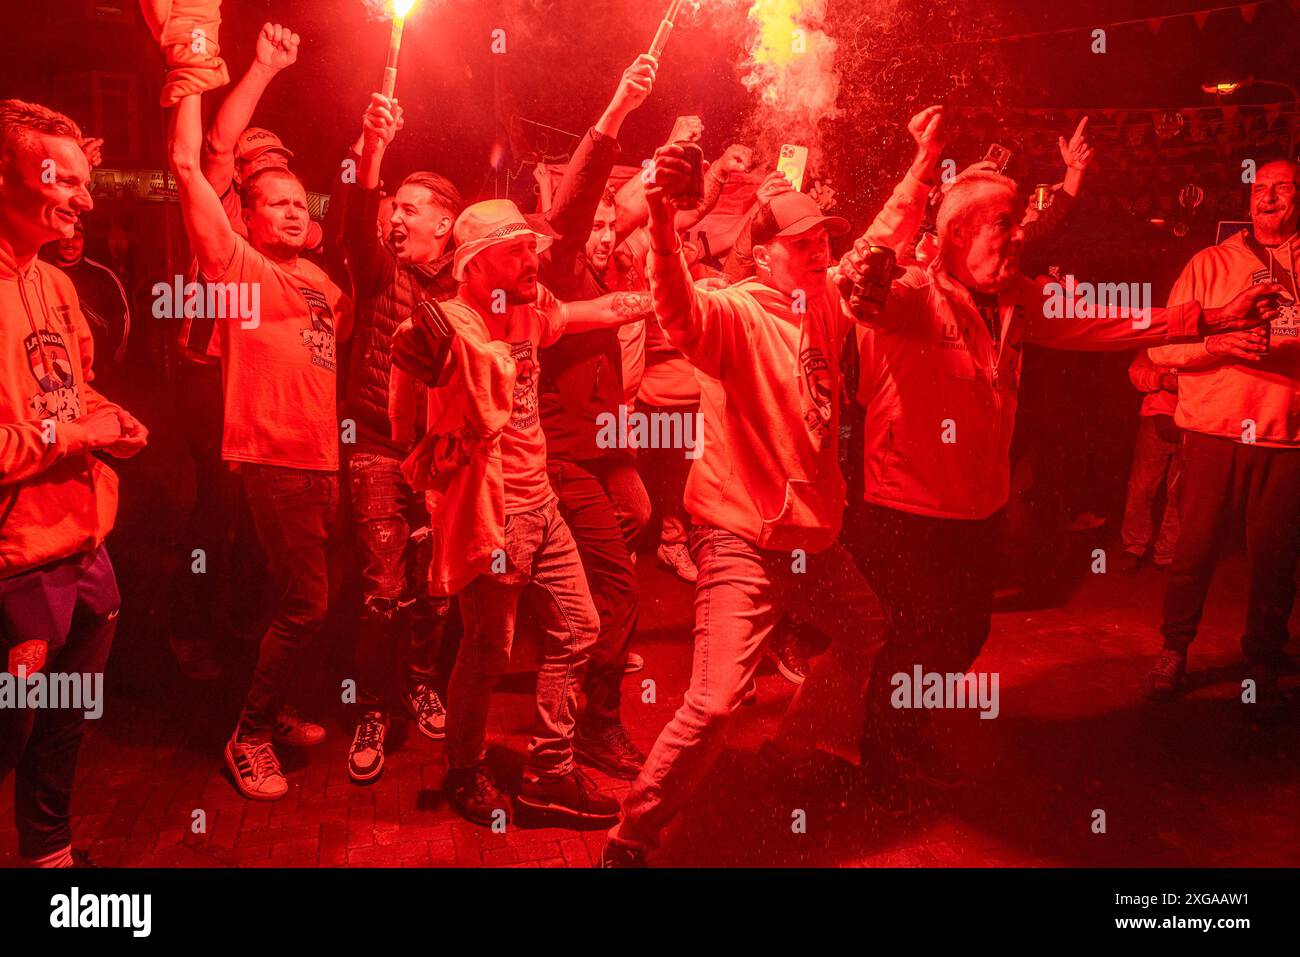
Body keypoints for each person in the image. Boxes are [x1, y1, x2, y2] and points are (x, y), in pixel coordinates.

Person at [837, 154, 1285, 801]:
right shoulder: (909, 294)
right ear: (958, 234)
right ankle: (879, 757)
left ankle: (902, 729)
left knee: (965, 633)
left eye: (1021, 222)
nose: (1020, 234)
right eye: (1005, 224)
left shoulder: (1022, 298)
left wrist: (1213, 318)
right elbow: (863, 286)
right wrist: (895, 216)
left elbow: (1110, 322)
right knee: (917, 637)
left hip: (978, 508)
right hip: (906, 507)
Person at [599, 145, 894, 867]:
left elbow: (880, 238)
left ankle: (800, 746)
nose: (822, 253)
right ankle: (631, 835)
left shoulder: (820, 303)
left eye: (825, 241)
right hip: (740, 542)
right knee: (717, 700)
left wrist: (923, 163)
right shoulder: (732, 314)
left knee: (865, 625)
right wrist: (664, 217)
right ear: (763, 257)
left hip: (814, 540)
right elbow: (675, 305)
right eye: (804, 244)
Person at [391, 199, 654, 827]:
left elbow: (597, 310)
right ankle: (464, 769)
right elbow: (411, 360)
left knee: (580, 628)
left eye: (530, 247)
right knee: (489, 649)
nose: (531, 258)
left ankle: (549, 772)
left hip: (543, 502)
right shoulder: (450, 324)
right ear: (477, 265)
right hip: (494, 512)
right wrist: (421, 366)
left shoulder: (532, 313)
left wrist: (666, 295)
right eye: (515, 251)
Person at [168, 86, 353, 801]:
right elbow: (192, 165)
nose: (291, 209)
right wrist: (188, 81)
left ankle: (274, 711)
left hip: (322, 460)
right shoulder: (238, 269)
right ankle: (246, 733)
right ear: (243, 216)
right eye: (273, 201)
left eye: (298, 201)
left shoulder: (322, 286)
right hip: (271, 459)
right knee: (309, 600)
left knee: (290, 596)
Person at [0, 98, 148, 866]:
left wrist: (107, 417)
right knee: (9, 726)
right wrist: (69, 433)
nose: (86, 200)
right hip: (15, 556)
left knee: (66, 713)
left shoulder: (53, 285)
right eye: (65, 178)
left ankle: (47, 856)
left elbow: (67, 388)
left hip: (83, 542)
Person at [1141, 157, 1299, 719]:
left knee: (1277, 557)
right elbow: (1161, 348)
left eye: (1282, 188)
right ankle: (1173, 649)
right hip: (1213, 430)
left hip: (1286, 436)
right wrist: (1220, 346)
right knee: (1196, 547)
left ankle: (1263, 659)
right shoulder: (1209, 263)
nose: (1268, 197)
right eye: (1261, 188)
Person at [535, 54, 657, 779]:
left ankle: (580, 619)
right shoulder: (554, 258)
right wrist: (617, 109)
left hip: (606, 446)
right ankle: (594, 719)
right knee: (620, 586)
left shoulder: (615, 265)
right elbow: (575, 202)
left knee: (640, 517)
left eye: (615, 217)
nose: (605, 226)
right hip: (562, 453)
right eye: (597, 217)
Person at [338, 91, 465, 783]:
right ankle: (375, 708)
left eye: (412, 209)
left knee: (437, 586)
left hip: (439, 457)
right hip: (381, 451)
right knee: (383, 588)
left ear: (445, 224)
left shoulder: (466, 287)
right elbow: (358, 223)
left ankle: (421, 682)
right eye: (396, 206)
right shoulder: (381, 267)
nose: (397, 217)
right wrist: (373, 149)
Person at [39, 220, 131, 398]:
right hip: (52, 370)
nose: (70, 242)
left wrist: (111, 360)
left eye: (77, 237)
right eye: (65, 237)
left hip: (99, 373)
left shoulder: (103, 276)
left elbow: (123, 320)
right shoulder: (40, 274)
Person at [1117, 350, 1183, 573]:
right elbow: (1136, 372)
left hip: (1195, 420)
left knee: (1180, 493)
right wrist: (1160, 379)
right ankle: (1134, 547)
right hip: (1158, 419)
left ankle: (1167, 553)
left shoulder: (1209, 339)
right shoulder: (1159, 338)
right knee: (1142, 488)